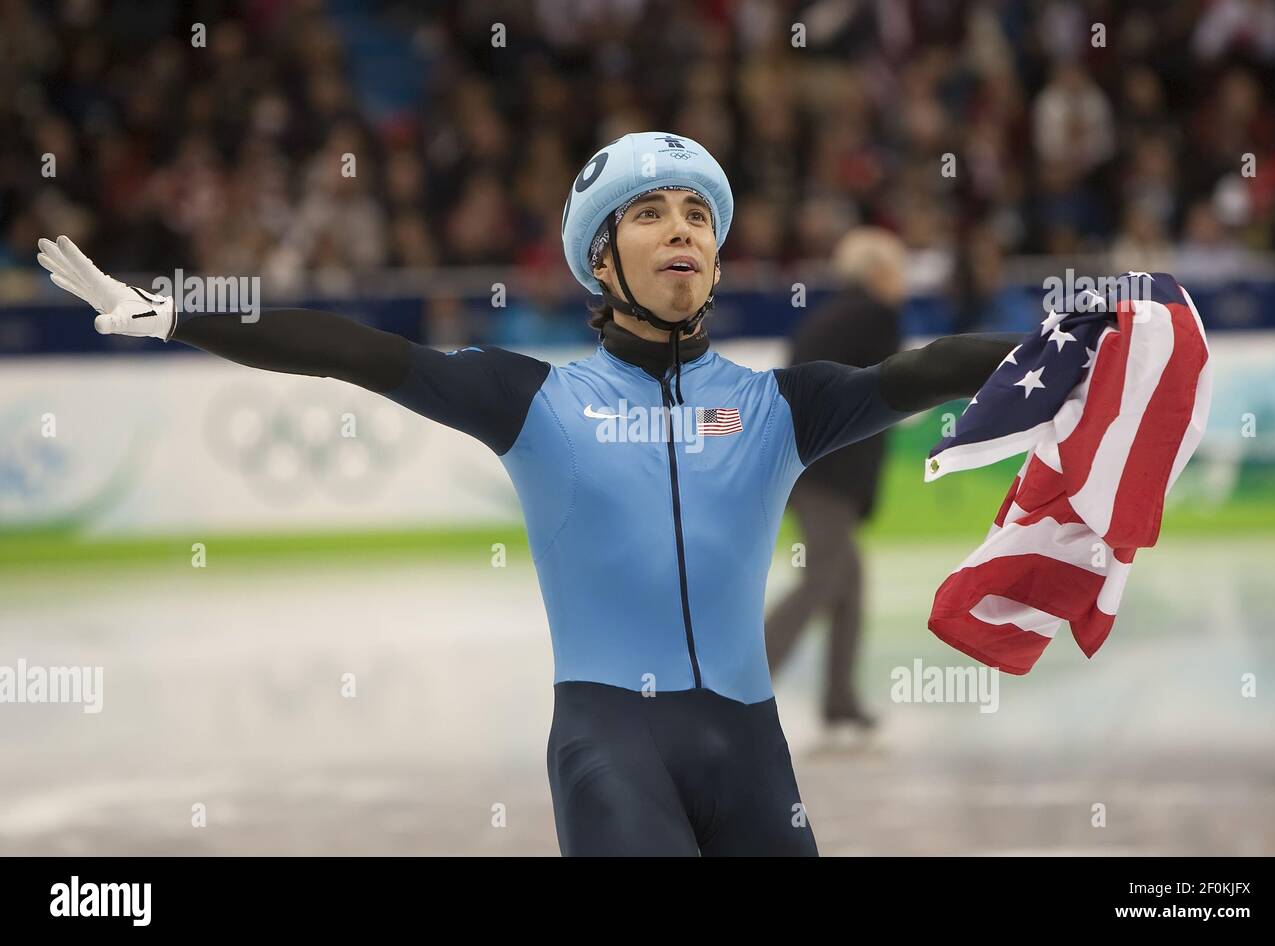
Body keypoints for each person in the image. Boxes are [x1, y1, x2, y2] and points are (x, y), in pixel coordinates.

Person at [37, 131, 1019, 857]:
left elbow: (933, 368)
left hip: (753, 751)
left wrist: (1088, 346)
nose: (680, 230)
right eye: (649, 213)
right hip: (612, 748)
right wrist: (173, 315)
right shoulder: (535, 399)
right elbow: (353, 350)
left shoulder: (780, 407)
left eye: (696, 217)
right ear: (601, 259)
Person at [765, 227, 904, 737]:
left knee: (847, 584)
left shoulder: (819, 320)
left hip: (805, 467)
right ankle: (738, 686)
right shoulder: (876, 317)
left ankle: (840, 699)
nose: (903, 283)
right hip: (830, 473)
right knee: (823, 580)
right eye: (896, 271)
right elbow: (882, 398)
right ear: (876, 273)